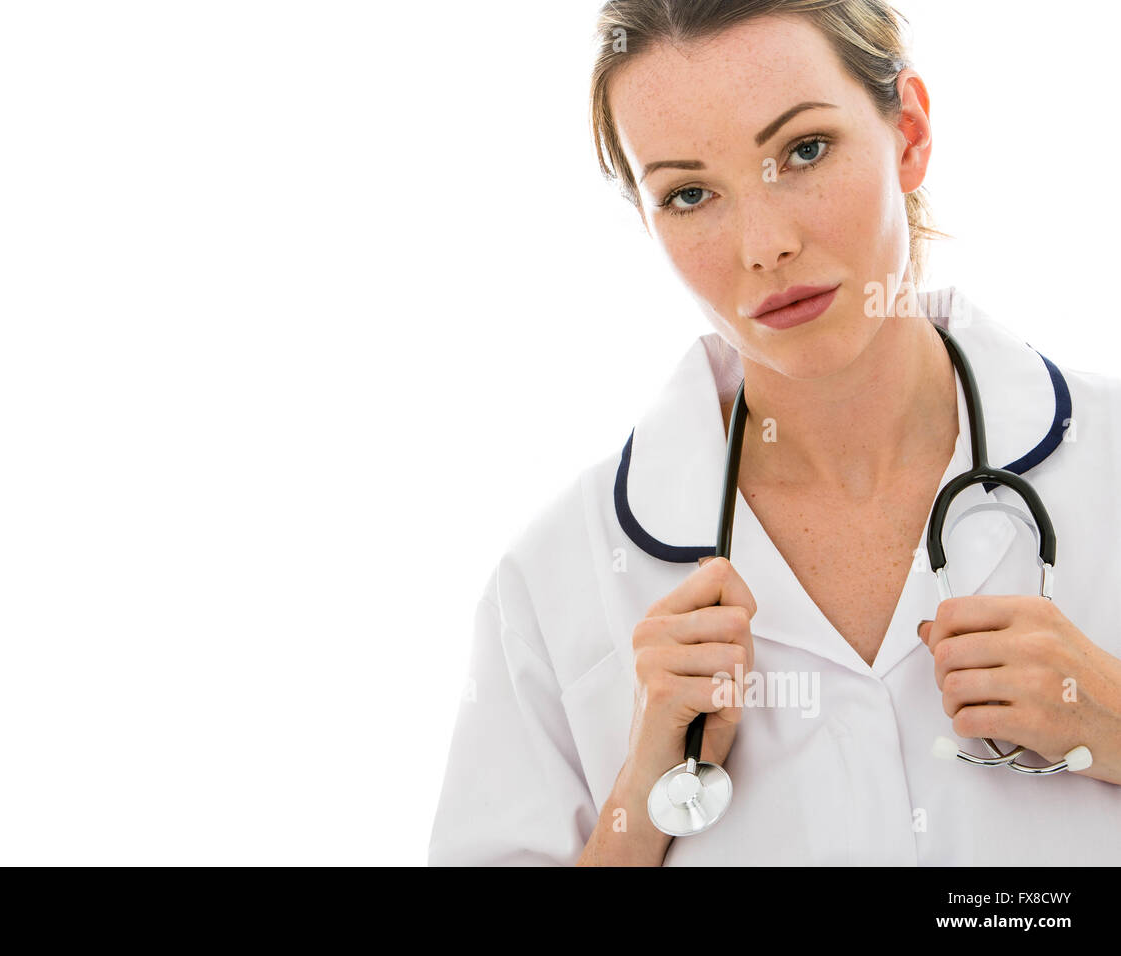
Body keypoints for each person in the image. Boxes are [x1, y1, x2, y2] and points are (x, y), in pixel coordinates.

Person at [427, 0, 1121, 866]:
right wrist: (642, 800)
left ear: (908, 133)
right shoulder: (557, 582)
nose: (764, 245)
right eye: (689, 194)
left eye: (803, 150)